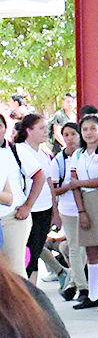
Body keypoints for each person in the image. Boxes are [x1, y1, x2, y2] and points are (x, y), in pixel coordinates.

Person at [67, 115, 98, 311]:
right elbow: (73, 185)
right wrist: (81, 210)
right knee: (90, 250)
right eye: (85, 129)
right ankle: (92, 296)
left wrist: (78, 183)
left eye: (93, 128)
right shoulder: (77, 155)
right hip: (85, 201)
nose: (89, 133)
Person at [11, 116, 54, 283]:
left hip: (45, 209)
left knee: (34, 255)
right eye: (41, 128)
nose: (46, 131)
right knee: (27, 256)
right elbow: (39, 177)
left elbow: (49, 183)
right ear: (28, 130)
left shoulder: (44, 155)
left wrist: (54, 212)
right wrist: (28, 205)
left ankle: (33, 294)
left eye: (46, 128)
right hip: (29, 211)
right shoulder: (20, 150)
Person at [50, 124, 86, 303]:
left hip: (89, 207)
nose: (70, 138)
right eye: (66, 135)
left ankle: (72, 284)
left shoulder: (87, 155)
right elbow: (53, 190)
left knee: (86, 247)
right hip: (68, 209)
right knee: (74, 247)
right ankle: (82, 286)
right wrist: (70, 186)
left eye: (73, 134)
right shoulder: (58, 160)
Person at [0, 116, 28, 273]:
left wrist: (27, 206)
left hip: (12, 216)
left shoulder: (16, 151)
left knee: (15, 271)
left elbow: (8, 198)